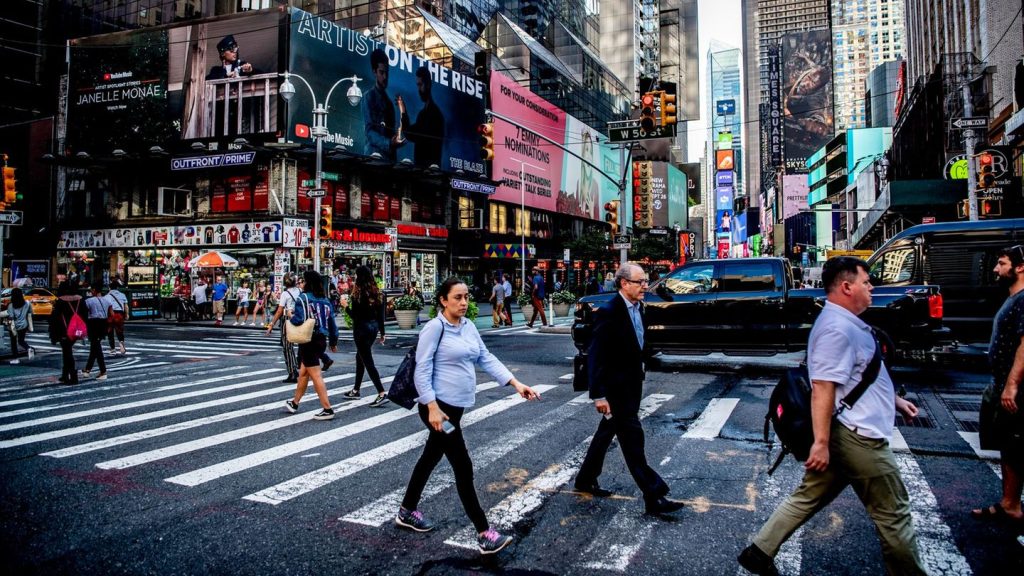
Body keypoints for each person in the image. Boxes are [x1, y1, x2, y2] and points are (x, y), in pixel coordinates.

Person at [738, 256, 926, 576]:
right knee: (894, 514)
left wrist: (893, 400)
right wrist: (821, 443)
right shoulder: (836, 330)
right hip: (859, 438)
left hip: (851, 431)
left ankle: (759, 551)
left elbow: (856, 377)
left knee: (809, 495)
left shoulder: (846, 324)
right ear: (846, 286)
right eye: (867, 282)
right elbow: (824, 388)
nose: (871, 288)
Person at [396, 277, 540, 554]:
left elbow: (485, 357)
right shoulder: (434, 329)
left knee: (430, 457)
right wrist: (432, 407)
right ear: (443, 300)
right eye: (457, 298)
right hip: (439, 410)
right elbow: (421, 370)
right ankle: (485, 533)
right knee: (463, 467)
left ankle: (406, 510)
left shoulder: (468, 326)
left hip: (455, 409)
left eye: (466, 297)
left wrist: (515, 383)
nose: (464, 302)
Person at [575, 264, 685, 515]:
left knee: (606, 434)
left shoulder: (639, 308)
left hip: (632, 384)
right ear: (624, 283)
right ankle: (653, 495)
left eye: (645, 281)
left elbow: (637, 344)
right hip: (616, 389)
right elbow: (596, 355)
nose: (645, 286)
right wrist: (599, 395)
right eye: (640, 282)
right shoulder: (610, 312)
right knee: (633, 440)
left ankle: (585, 478)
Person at [972, 245, 1024, 523]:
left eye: (1002, 263)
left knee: (1016, 444)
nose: (995, 269)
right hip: (1003, 382)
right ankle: (1009, 503)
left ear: (1019, 267)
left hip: (1015, 387)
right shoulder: (1014, 298)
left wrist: (1012, 385)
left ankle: (1012, 505)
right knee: (1009, 444)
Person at [284, 270, 339, 421]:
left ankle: (327, 408)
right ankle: (295, 403)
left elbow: (298, 320)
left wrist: (290, 316)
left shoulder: (303, 298)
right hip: (321, 340)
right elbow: (332, 324)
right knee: (303, 372)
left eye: (303, 281)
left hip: (308, 340)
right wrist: (333, 342)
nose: (301, 283)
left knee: (315, 375)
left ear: (307, 282)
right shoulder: (326, 300)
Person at [339, 266, 389, 406]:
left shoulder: (358, 294)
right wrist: (382, 332)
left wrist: (345, 306)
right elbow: (381, 316)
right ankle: (356, 390)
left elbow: (355, 316)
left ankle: (381, 392)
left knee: (367, 360)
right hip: (373, 328)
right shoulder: (377, 292)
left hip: (361, 329)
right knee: (360, 357)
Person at [363, 48, 405, 161]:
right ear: (374, 72)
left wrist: (396, 141)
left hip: (388, 162)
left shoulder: (389, 103)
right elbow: (369, 132)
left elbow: (392, 134)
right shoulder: (368, 97)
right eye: (381, 72)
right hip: (372, 159)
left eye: (387, 73)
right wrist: (389, 143)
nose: (385, 77)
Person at [401, 66, 445, 169]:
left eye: (420, 85)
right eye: (417, 85)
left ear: (428, 84)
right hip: (422, 172)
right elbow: (409, 133)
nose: (419, 89)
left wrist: (403, 111)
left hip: (430, 173)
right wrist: (403, 111)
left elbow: (412, 134)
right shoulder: (423, 113)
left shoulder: (434, 114)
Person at [266, 274, 302, 384]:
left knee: (287, 347)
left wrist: (272, 324)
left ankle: (292, 372)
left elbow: (279, 311)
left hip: (287, 320)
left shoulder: (285, 294)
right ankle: (298, 367)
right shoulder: (300, 291)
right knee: (301, 344)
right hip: (299, 318)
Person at [49, 281, 85, 385]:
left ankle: (72, 375)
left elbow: (55, 318)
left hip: (64, 330)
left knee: (67, 352)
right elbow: (85, 313)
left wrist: (53, 334)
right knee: (67, 351)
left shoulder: (60, 301)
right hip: (76, 329)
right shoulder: (80, 300)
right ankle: (65, 374)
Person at [81, 285, 111, 381]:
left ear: (94, 290)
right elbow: (112, 314)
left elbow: (84, 313)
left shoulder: (89, 301)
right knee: (95, 346)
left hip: (93, 323)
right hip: (103, 323)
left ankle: (103, 371)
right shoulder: (107, 301)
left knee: (96, 346)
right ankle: (87, 369)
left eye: (91, 290)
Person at [5, 288, 34, 364]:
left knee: (13, 342)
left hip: (14, 326)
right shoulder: (27, 303)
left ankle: (16, 359)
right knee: (21, 341)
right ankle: (28, 348)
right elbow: (31, 313)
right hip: (24, 325)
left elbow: (10, 317)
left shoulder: (11, 305)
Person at [105, 281, 128, 355]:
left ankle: (112, 349)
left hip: (110, 314)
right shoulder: (122, 295)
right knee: (120, 330)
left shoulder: (107, 296)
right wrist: (127, 315)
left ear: (109, 288)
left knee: (110, 332)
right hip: (120, 313)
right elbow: (126, 306)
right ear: (117, 288)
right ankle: (121, 343)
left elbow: (106, 307)